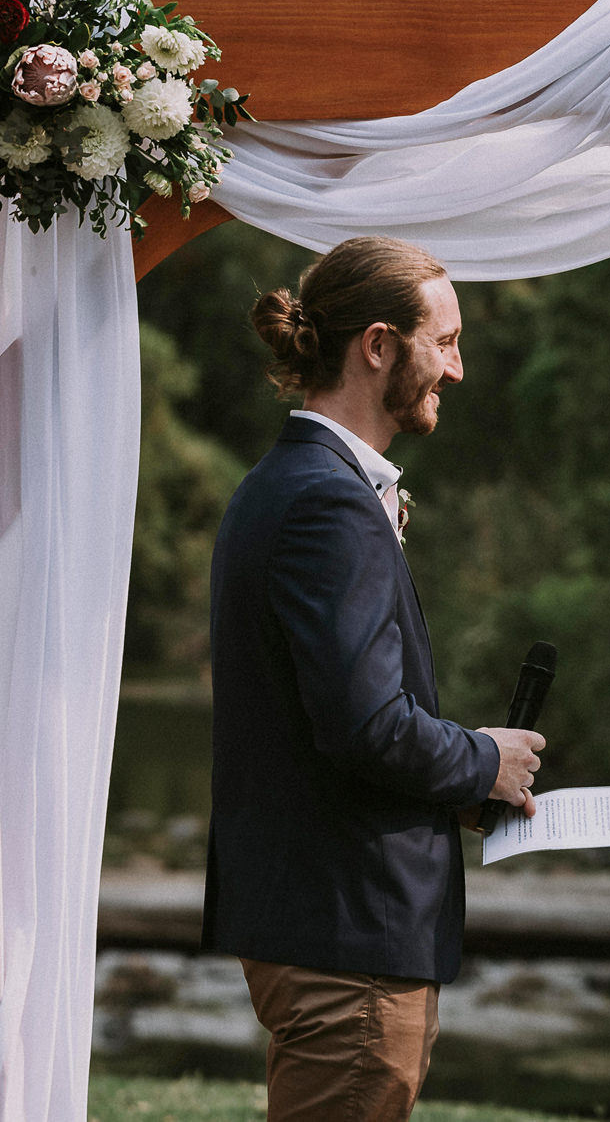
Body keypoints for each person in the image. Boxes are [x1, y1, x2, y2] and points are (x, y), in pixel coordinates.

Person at [201, 235, 546, 1122]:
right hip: (345, 936)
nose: (459, 369)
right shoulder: (327, 501)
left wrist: (461, 790)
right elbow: (364, 726)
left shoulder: (284, 482)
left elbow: (319, 720)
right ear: (381, 344)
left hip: (325, 920)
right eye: (448, 341)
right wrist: (482, 759)